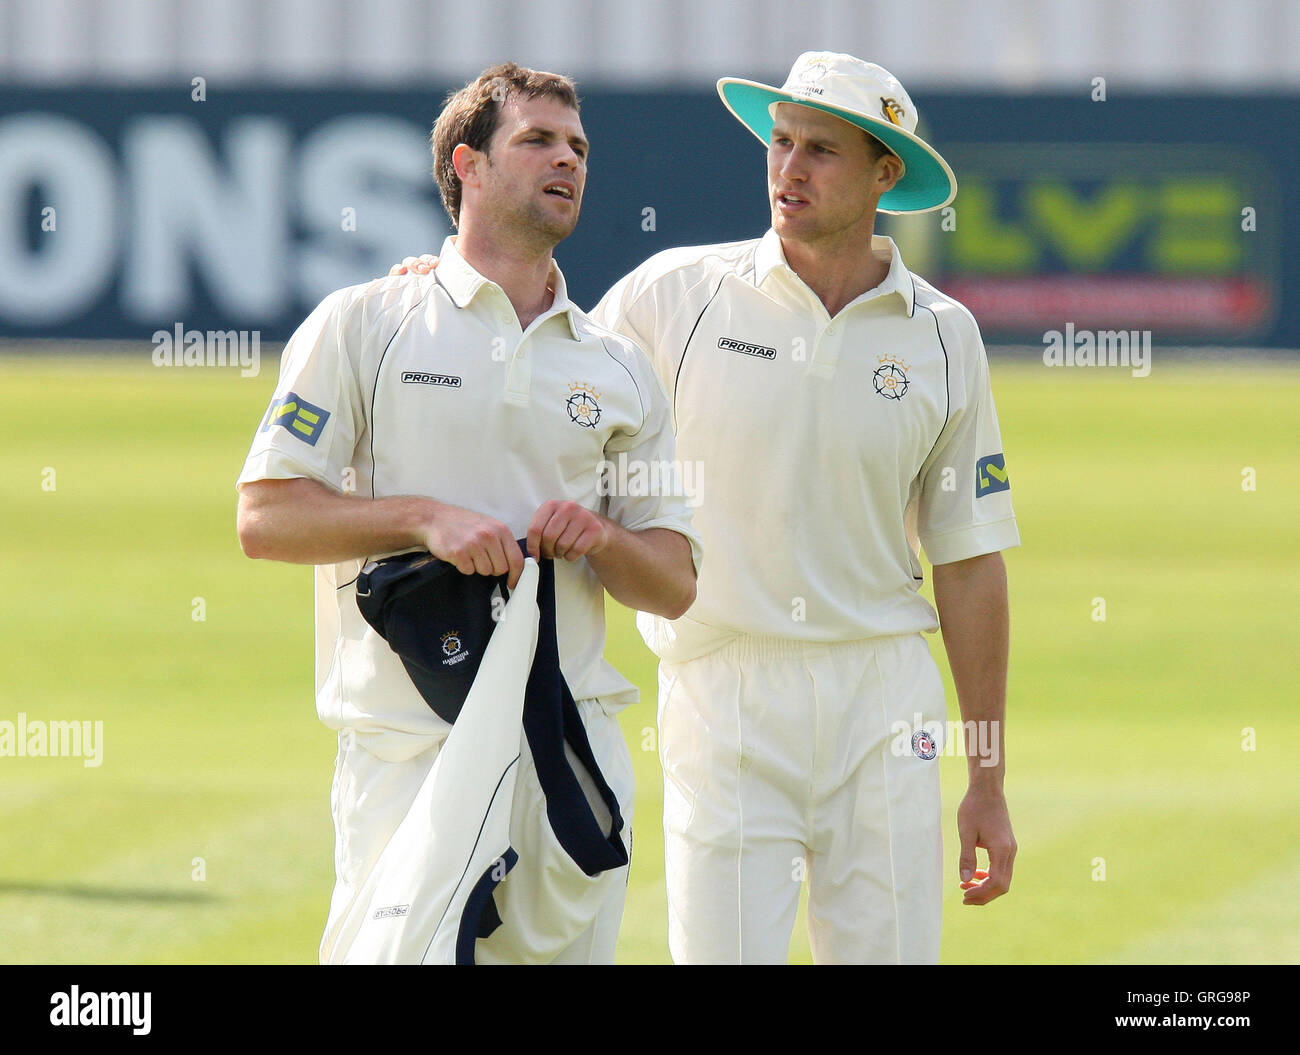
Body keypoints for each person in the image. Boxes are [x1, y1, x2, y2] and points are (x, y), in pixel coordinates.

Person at [394, 52, 1019, 965]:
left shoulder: (943, 334)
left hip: (887, 694)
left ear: (887, 173)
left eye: (822, 152)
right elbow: (539, 358)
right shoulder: (676, 294)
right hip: (722, 692)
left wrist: (989, 780)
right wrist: (448, 291)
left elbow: (969, 559)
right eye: (780, 144)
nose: (789, 170)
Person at [236, 62, 700, 965]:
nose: (567, 159)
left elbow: (676, 584)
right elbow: (266, 518)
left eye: (578, 147)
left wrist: (601, 537)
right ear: (469, 166)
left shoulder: (618, 364)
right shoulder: (366, 321)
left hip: (567, 743)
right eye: (537, 140)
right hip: (412, 742)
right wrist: (423, 519)